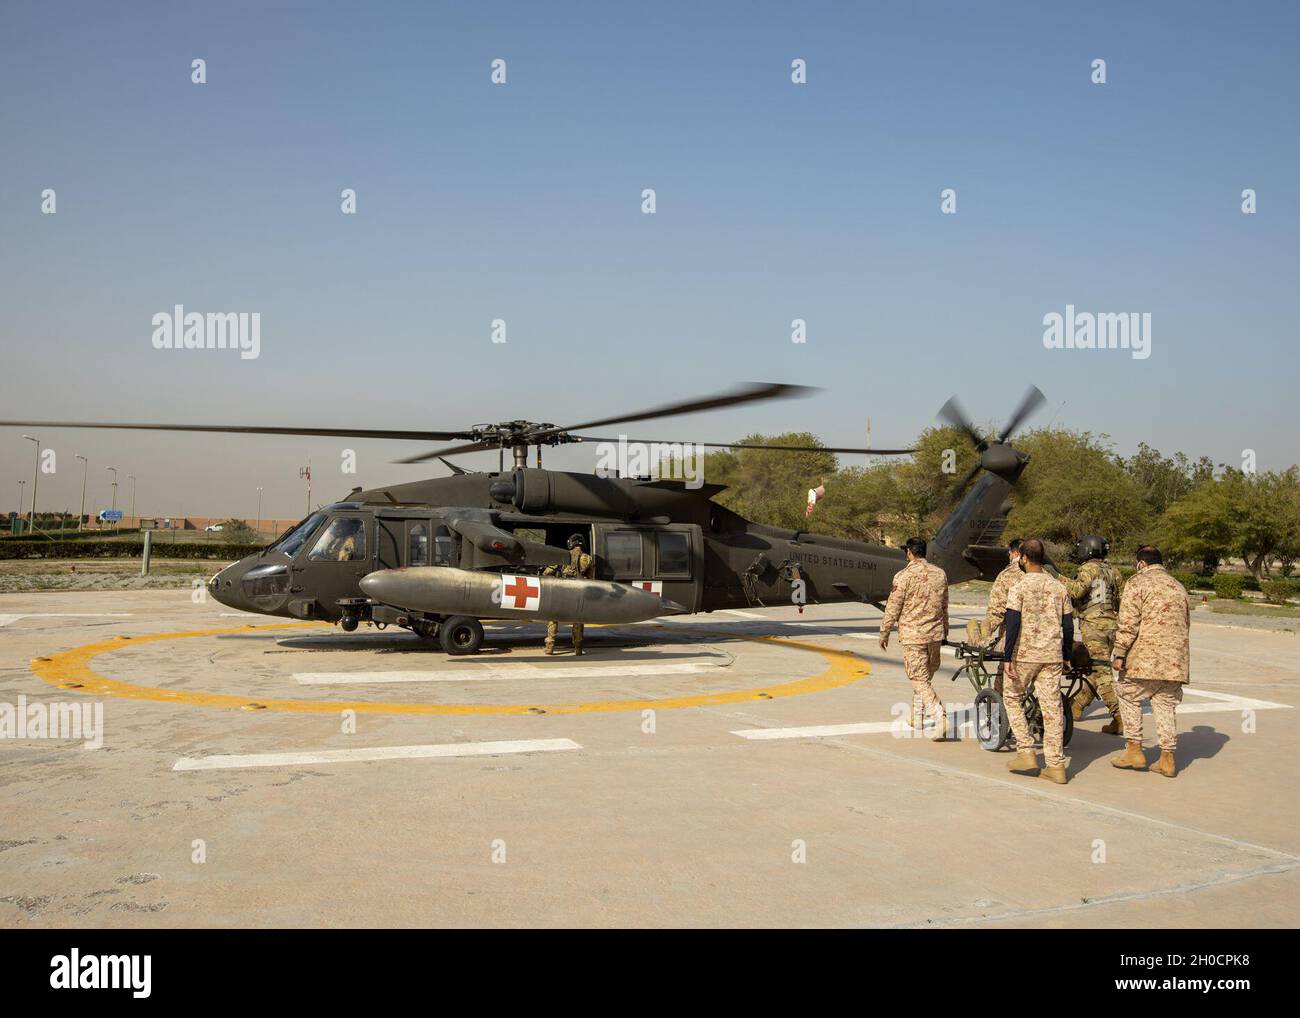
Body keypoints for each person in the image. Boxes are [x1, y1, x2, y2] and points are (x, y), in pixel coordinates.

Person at [1110, 546, 1191, 778]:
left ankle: (1134, 749)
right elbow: (1186, 624)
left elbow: (1128, 622)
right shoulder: (1178, 586)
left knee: (1127, 695)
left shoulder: (1137, 583)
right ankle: (1167, 758)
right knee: (1165, 705)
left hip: (1143, 659)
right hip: (1174, 661)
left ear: (1141, 563)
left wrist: (1120, 653)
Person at [1001, 538, 1074, 784]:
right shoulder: (1058, 587)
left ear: (1023, 558)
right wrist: (1066, 654)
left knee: (1011, 697)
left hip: (1025, 655)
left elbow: (1012, 622)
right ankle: (1055, 766)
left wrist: (1007, 656)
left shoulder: (1019, 586)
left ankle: (1026, 751)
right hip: (1052, 655)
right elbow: (1068, 624)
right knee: (1052, 709)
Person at [879, 537, 950, 740]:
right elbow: (944, 606)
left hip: (913, 636)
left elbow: (893, 607)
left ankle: (939, 716)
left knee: (918, 679)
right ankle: (917, 716)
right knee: (924, 677)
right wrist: (945, 630)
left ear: (909, 552)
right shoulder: (940, 574)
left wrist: (885, 632)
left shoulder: (903, 576)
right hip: (934, 635)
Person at [1062, 534, 1124, 733]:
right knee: (1095, 668)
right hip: (1111, 625)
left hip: (1093, 626)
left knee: (1100, 672)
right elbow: (1120, 600)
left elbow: (1076, 591)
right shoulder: (1114, 571)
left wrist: (1056, 576)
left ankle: (1120, 716)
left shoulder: (1087, 569)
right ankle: (1077, 705)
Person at [966, 538, 1023, 647]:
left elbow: (997, 611)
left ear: (1015, 553)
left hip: (1015, 642)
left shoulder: (1007, 575)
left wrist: (984, 633)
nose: (1009, 556)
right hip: (1047, 648)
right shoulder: (1047, 575)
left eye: (1009, 553)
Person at [543, 534, 595, 655]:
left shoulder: (562, 555)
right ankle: (578, 649)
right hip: (578, 593)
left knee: (553, 618)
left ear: (570, 543)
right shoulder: (588, 558)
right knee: (578, 620)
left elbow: (547, 572)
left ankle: (550, 646)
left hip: (561, 592)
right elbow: (591, 579)